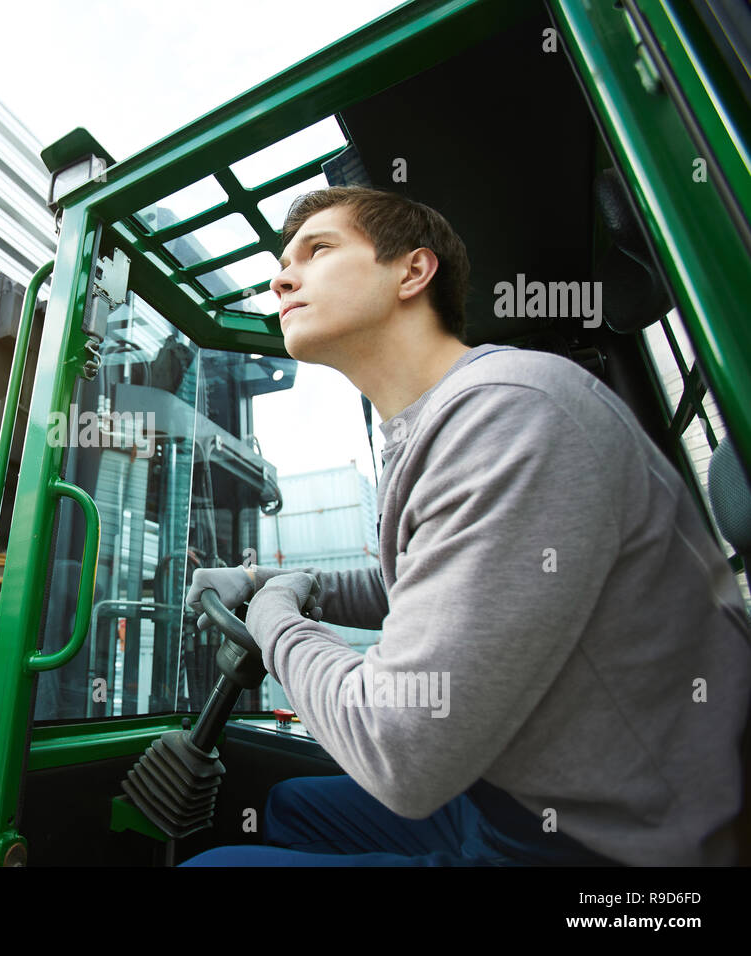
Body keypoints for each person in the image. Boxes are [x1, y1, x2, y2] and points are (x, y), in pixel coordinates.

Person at [180, 186, 751, 866]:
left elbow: (399, 749)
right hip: (513, 803)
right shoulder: (441, 423)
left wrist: (274, 618)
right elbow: (436, 583)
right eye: (283, 260)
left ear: (413, 273)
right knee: (288, 805)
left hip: (618, 851)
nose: (280, 276)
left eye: (319, 249)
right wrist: (263, 577)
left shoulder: (509, 412)